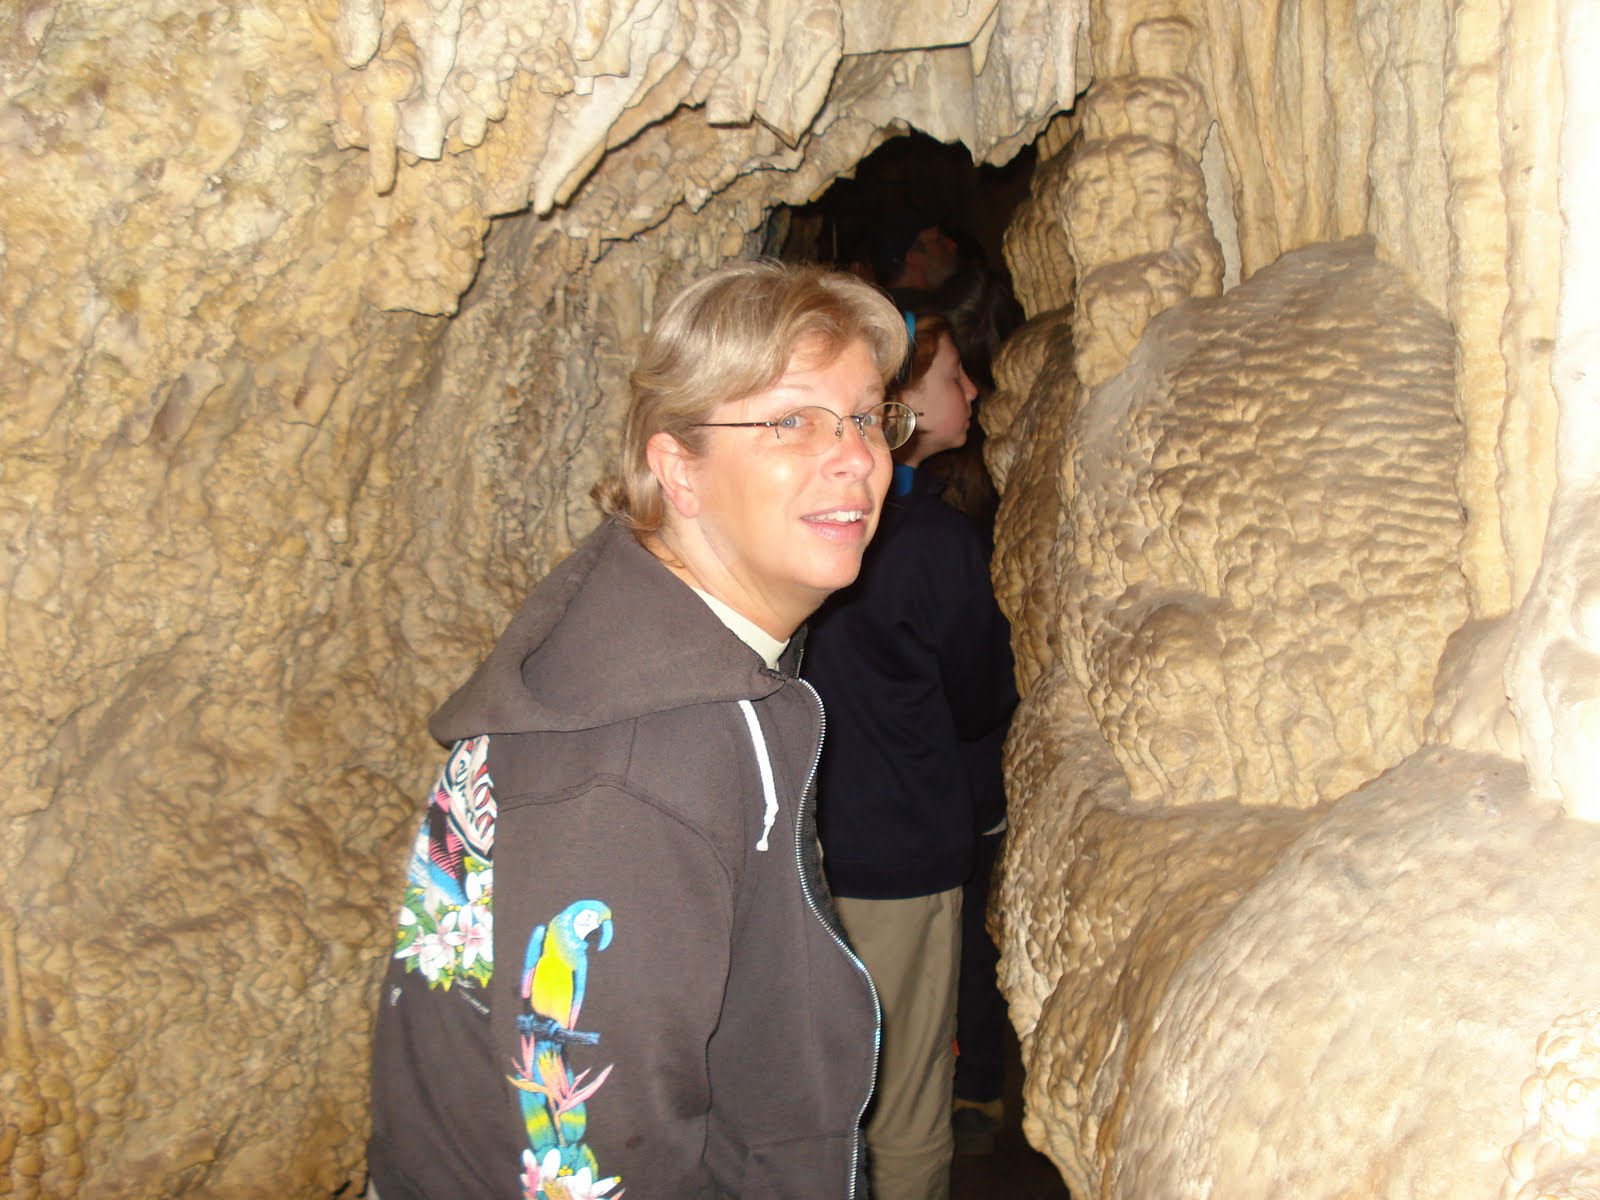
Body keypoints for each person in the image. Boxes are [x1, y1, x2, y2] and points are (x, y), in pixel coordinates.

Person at [365, 260, 917, 1200]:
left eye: (865, 415)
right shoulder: (638, 764)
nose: (856, 456)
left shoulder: (662, 653)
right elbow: (592, 1154)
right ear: (679, 471)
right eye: (790, 420)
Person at [803, 312, 1018, 1200]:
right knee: (906, 1100)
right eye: (954, 377)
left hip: (805, 855)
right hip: (901, 857)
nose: (970, 392)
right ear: (898, 403)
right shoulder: (935, 545)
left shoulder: (804, 523)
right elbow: (981, 699)